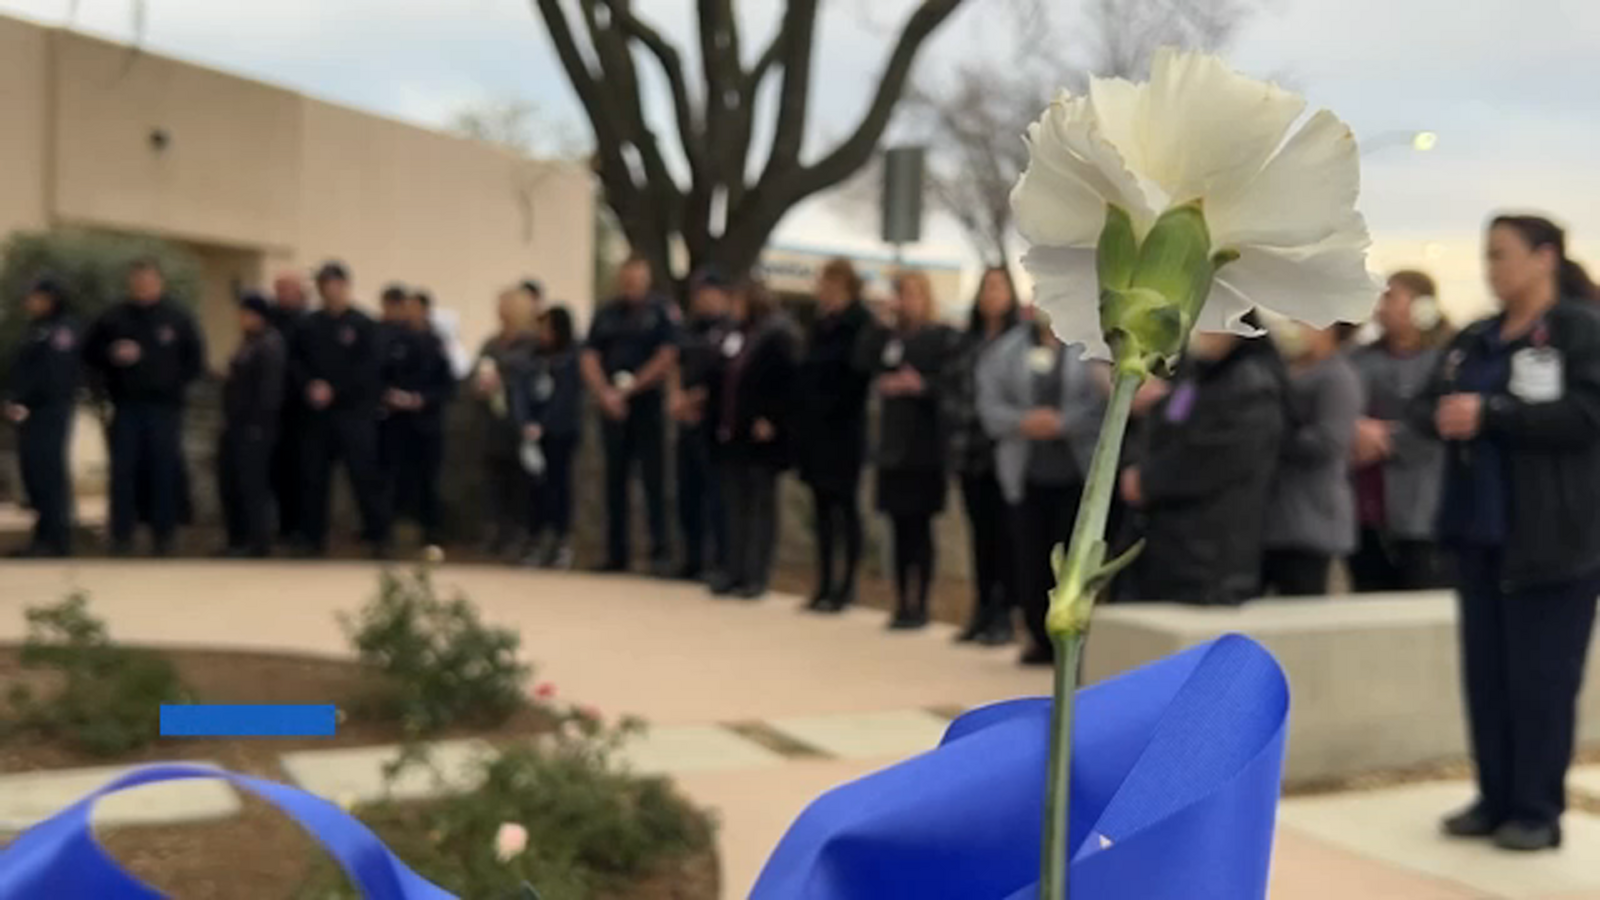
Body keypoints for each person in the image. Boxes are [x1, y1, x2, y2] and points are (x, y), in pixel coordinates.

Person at [1418, 215, 1600, 852]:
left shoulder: (1580, 329)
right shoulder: (1476, 337)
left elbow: (1588, 413)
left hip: (1554, 542)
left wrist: (1495, 412)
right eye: (1486, 255)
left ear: (1545, 257)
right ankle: (1493, 797)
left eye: (1501, 254)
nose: (1492, 267)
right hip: (1479, 534)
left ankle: (1536, 810)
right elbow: (1424, 402)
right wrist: (1439, 414)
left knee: (1543, 680)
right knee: (1487, 676)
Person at [1119, 332, 1287, 605]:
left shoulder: (1250, 382)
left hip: (1211, 557)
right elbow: (1168, 428)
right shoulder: (1199, 373)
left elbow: (1218, 457)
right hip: (1169, 545)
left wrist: (1148, 480)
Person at [977, 309, 1105, 665]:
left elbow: (1102, 402)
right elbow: (989, 407)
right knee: (1030, 559)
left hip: (1076, 475)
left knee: (1074, 563)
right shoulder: (1005, 351)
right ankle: (1038, 634)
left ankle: (1075, 641)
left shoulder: (1089, 346)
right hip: (1027, 474)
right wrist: (1025, 422)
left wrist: (1062, 423)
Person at [82, 258, 205, 557]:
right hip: (126, 406)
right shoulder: (114, 318)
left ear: (159, 283)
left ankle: (164, 536)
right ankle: (122, 535)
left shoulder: (177, 317)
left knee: (163, 471)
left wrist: (172, 383)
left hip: (164, 408)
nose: (143, 287)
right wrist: (111, 356)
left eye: (148, 281)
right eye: (137, 282)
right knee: (124, 471)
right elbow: (88, 353)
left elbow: (196, 360)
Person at [861, 271, 957, 630]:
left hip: (925, 449)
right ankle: (901, 601)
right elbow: (863, 361)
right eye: (902, 294)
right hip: (893, 449)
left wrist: (921, 386)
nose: (908, 301)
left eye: (914, 294)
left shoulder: (940, 336)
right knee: (898, 529)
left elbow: (951, 382)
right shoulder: (890, 337)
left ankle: (922, 602)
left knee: (921, 529)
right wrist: (881, 321)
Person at [1348, 271, 1454, 592]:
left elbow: (1440, 421)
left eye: (1391, 297)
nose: (1381, 307)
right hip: (1364, 506)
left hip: (1421, 510)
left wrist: (1386, 440)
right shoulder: (1358, 360)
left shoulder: (1446, 361)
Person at [582, 255, 679, 575]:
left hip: (646, 404)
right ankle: (616, 553)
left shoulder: (660, 312)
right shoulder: (607, 313)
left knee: (654, 479)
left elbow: (667, 356)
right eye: (626, 281)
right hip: (612, 407)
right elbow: (590, 356)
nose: (630, 287)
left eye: (636, 281)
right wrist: (605, 393)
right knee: (615, 481)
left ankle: (660, 553)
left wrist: (631, 388)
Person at [289, 261, 390, 558]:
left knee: (364, 476)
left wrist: (336, 389)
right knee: (312, 476)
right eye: (324, 285)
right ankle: (311, 538)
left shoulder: (365, 325)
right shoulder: (308, 325)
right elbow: (295, 362)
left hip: (354, 413)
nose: (329, 291)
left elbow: (370, 369)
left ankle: (378, 537)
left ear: (345, 286)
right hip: (316, 414)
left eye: (335, 284)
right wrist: (310, 385)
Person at [948, 267, 1023, 645]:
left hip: (1006, 452)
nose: (991, 294)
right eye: (986, 287)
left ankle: (1004, 614)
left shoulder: (1019, 342)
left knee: (1006, 536)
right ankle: (980, 609)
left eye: (998, 287)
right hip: (970, 449)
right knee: (979, 536)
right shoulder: (968, 341)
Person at [712, 278, 799, 600]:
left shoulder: (777, 336)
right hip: (735, 431)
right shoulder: (737, 335)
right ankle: (735, 569)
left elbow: (785, 383)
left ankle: (756, 574)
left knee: (761, 505)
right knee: (736, 504)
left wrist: (772, 417)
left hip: (762, 435)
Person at [1260, 322, 1362, 596]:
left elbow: (1330, 441)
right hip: (1274, 520)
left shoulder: (1338, 377)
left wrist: (1270, 437)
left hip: (1311, 520)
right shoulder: (1283, 370)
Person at [796, 259, 875, 613]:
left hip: (844, 428)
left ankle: (846, 584)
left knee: (845, 506)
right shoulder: (819, 325)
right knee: (821, 509)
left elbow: (857, 377)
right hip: (816, 430)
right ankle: (824, 581)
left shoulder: (859, 324)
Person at [4, 277, 79, 558]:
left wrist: (26, 401)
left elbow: (54, 375)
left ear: (50, 298)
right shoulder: (36, 329)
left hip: (49, 411)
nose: (29, 302)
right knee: (33, 474)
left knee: (49, 474)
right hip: (30, 412)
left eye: (34, 297)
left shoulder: (63, 330)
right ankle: (42, 536)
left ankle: (57, 539)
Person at [671, 268, 735, 582]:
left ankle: (720, 561)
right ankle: (692, 559)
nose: (704, 299)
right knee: (688, 494)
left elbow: (724, 377)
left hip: (712, 421)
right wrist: (676, 398)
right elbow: (675, 363)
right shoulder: (689, 329)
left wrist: (694, 400)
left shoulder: (729, 330)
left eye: (709, 292)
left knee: (717, 496)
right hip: (686, 421)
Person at [379, 289, 456, 547]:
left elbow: (447, 386)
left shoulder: (437, 343)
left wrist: (422, 400)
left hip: (427, 423)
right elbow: (380, 374)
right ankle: (391, 532)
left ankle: (431, 530)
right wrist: (390, 396)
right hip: (396, 423)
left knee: (428, 479)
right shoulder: (392, 339)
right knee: (395, 479)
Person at [216, 292, 286, 558]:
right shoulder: (248, 342)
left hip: (254, 427)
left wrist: (258, 424)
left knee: (252, 485)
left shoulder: (270, 344)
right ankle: (237, 539)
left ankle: (257, 542)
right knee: (231, 483)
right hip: (235, 424)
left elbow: (269, 390)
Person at [514, 306, 584, 569]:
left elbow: (565, 397)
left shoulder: (570, 359)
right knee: (535, 490)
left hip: (560, 432)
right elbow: (520, 393)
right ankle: (535, 539)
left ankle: (561, 540)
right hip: (533, 434)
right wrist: (526, 423)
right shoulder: (531, 358)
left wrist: (544, 424)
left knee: (559, 487)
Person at [473, 288, 541, 559]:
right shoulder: (492, 343)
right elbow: (476, 372)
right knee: (494, 478)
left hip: (520, 420)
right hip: (494, 421)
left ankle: (521, 535)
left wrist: (502, 377)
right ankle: (496, 533)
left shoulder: (532, 343)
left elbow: (528, 374)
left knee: (521, 480)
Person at [269, 271, 311, 545]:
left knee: (302, 470)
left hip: (303, 410)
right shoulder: (270, 321)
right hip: (274, 408)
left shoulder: (309, 323)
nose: (282, 294)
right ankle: (283, 526)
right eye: (279, 289)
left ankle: (301, 527)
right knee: (277, 470)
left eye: (288, 289)